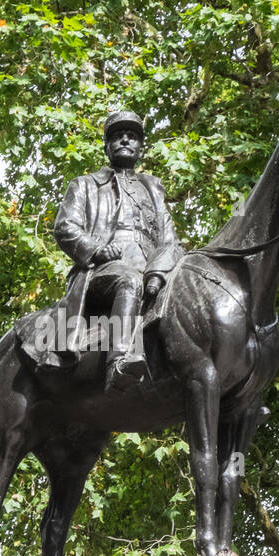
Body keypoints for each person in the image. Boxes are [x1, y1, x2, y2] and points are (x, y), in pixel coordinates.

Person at [52, 110, 182, 390]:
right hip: (104, 271)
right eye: (118, 136)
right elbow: (65, 227)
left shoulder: (153, 192)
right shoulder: (85, 185)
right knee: (128, 279)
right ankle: (119, 361)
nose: (125, 140)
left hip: (152, 267)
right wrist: (96, 250)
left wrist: (158, 274)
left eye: (132, 136)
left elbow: (171, 242)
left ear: (140, 147)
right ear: (107, 147)